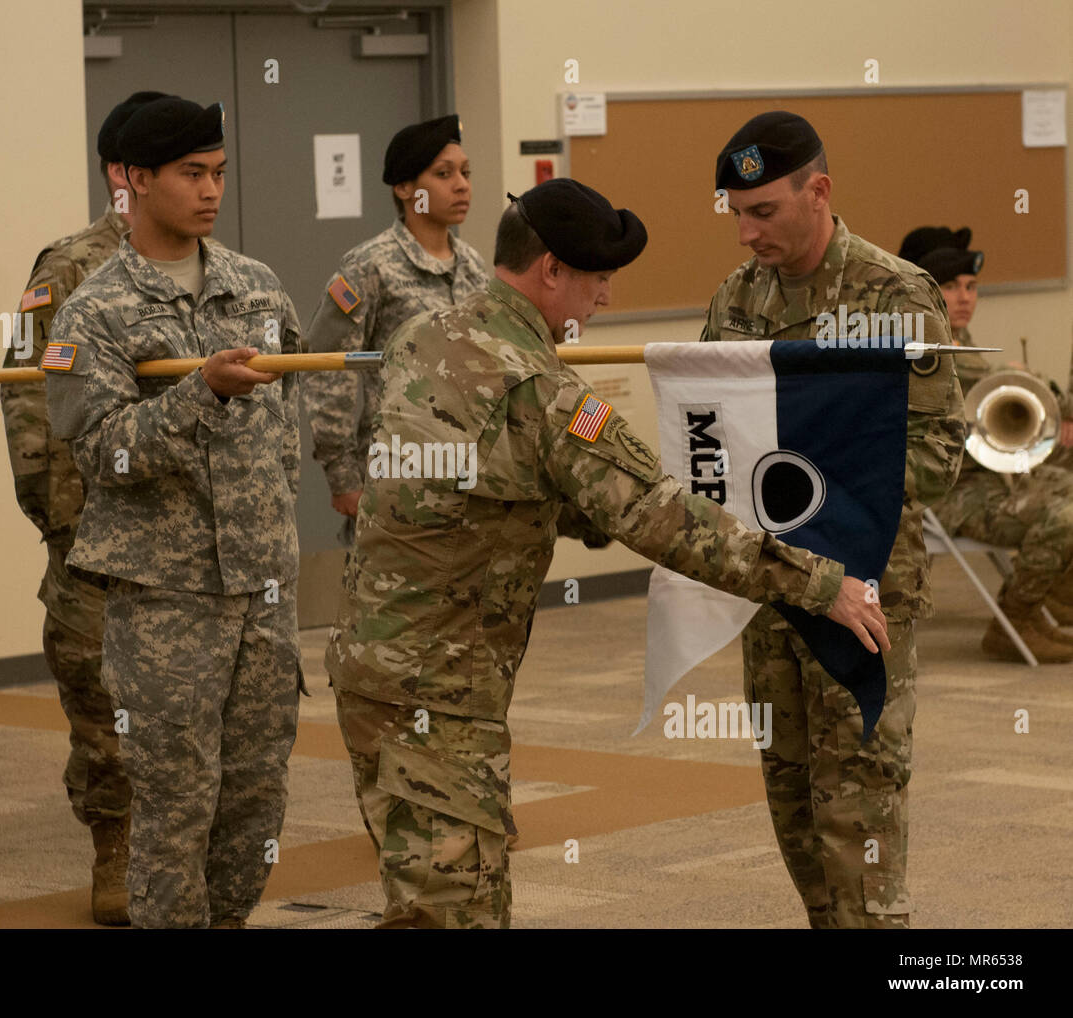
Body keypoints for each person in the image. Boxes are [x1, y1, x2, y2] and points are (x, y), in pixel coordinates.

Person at [325, 177, 890, 929]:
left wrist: (573, 503)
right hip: (441, 694)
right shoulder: (544, 390)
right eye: (597, 278)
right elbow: (663, 518)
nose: (607, 299)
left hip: (374, 672)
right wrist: (821, 584)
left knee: (432, 898)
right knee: (453, 913)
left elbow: (469, 486)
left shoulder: (423, 337)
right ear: (551, 270)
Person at [701, 112, 966, 929]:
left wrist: (831, 513)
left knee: (859, 802)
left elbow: (937, 447)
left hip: (862, 596)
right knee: (791, 793)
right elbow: (709, 434)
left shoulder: (896, 295)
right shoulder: (738, 300)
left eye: (764, 212)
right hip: (774, 597)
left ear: (818, 192)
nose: (746, 233)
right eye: (735, 213)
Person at [44, 96, 303, 929]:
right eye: (192, 174)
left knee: (257, 797)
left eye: (219, 173)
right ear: (134, 180)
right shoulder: (94, 310)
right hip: (169, 599)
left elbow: (284, 427)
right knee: (174, 804)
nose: (210, 191)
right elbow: (104, 453)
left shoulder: (256, 285)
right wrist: (199, 393)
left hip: (262, 589)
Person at [0, 90, 165, 925]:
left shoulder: (216, 269)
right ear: (122, 173)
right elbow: (33, 399)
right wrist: (62, 520)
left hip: (186, 534)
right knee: (101, 697)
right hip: (96, 527)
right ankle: (115, 845)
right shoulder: (70, 266)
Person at [303, 114, 488, 530]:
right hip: (396, 479)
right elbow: (328, 370)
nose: (461, 184)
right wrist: (342, 476)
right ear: (404, 188)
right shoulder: (370, 266)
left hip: (469, 476)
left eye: (465, 172)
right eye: (444, 174)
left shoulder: (474, 267)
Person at [899, 227, 1073, 658]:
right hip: (953, 492)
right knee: (1065, 516)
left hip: (990, 478)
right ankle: (1014, 619)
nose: (965, 297)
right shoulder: (923, 349)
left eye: (971, 287)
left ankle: (1053, 600)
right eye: (951, 287)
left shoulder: (962, 341)